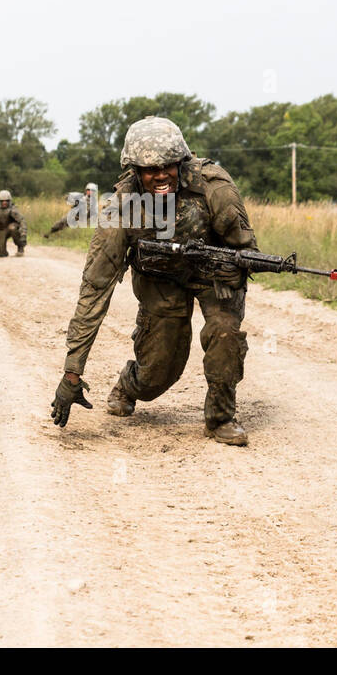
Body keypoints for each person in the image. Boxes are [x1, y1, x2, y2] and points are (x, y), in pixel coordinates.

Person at [50, 116, 255, 446]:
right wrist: (72, 373)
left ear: (181, 161)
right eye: (149, 169)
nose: (160, 175)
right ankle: (129, 384)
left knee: (225, 331)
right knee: (160, 372)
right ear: (134, 171)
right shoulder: (120, 209)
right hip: (159, 282)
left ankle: (220, 417)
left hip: (213, 275)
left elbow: (246, 248)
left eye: (168, 166)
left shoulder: (214, 188)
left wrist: (237, 269)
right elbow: (95, 290)